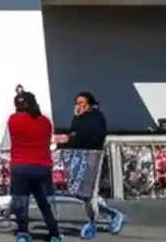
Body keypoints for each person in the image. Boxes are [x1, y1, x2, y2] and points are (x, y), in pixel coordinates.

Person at [55, 91, 122, 236]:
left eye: (82, 102)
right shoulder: (79, 118)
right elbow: (74, 133)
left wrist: (71, 139)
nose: (79, 106)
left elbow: (88, 136)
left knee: (89, 193)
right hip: (78, 155)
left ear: (89, 104)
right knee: (79, 191)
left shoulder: (97, 117)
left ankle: (96, 220)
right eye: (77, 103)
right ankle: (109, 214)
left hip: (93, 155)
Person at [7, 91, 64, 242]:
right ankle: (55, 233)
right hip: (42, 166)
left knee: (21, 202)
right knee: (44, 203)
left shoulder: (13, 120)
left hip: (20, 167)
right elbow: (45, 139)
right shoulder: (45, 121)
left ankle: (23, 233)